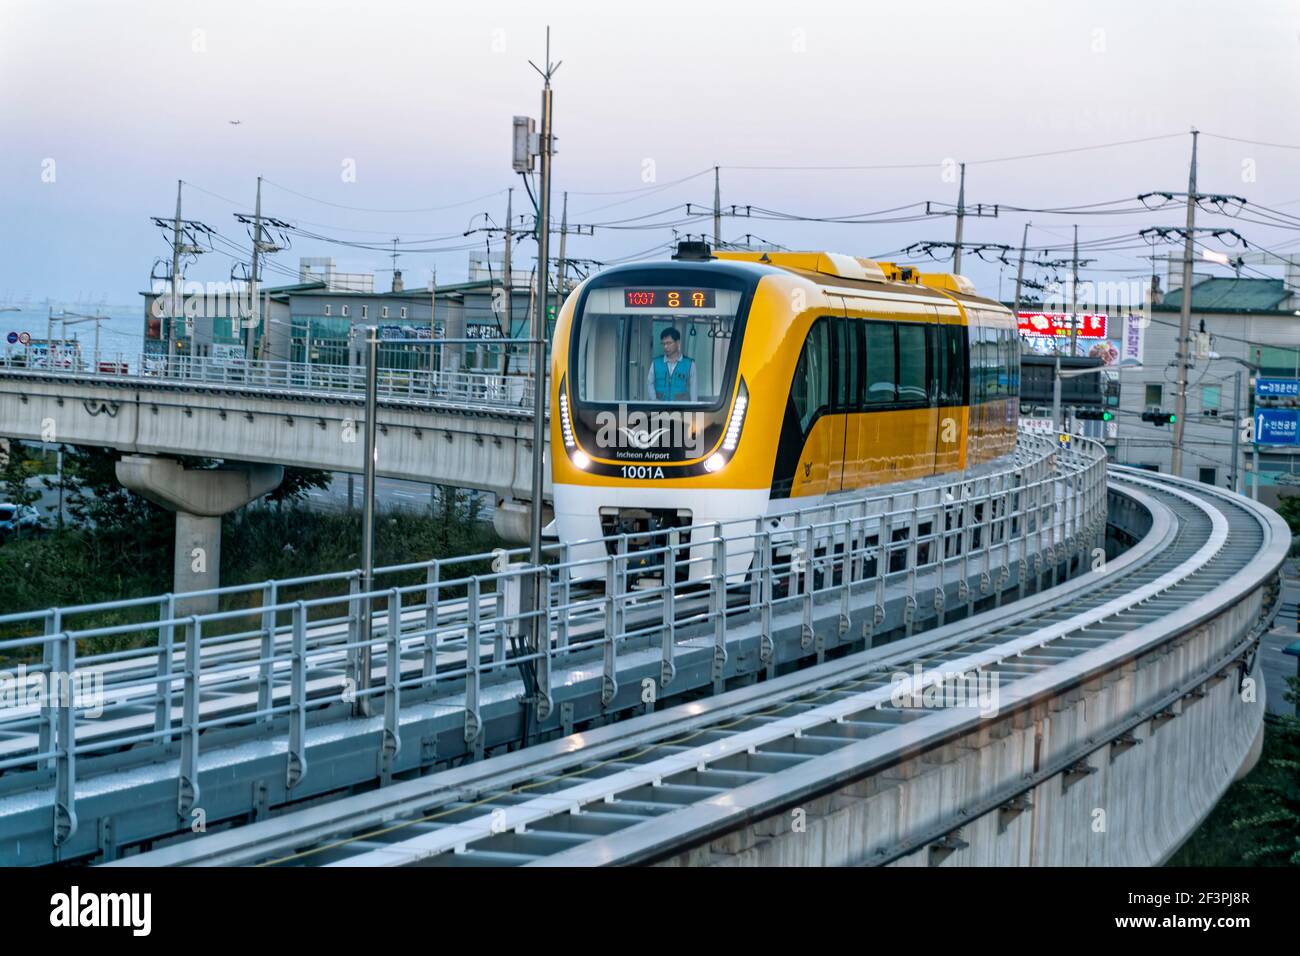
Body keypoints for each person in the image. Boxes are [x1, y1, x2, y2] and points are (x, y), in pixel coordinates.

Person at [646, 327, 698, 402]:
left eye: (669, 343)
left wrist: (693, 408)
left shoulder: (690, 364)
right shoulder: (655, 363)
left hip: (681, 409)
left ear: (678, 342)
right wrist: (654, 401)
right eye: (663, 344)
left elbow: (694, 388)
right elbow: (649, 383)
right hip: (660, 408)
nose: (665, 347)